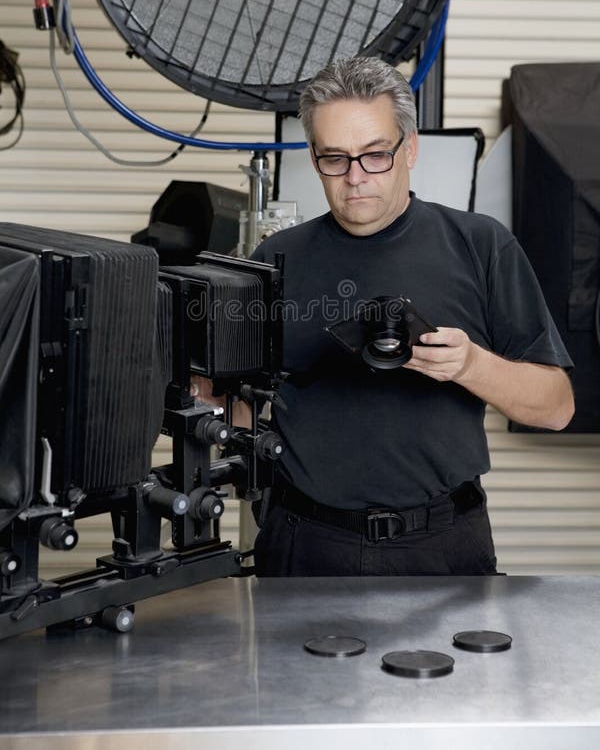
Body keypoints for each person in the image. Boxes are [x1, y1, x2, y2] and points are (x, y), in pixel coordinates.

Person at [212, 57, 574, 577]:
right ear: (313, 158)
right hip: (305, 541)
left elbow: (555, 407)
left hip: (444, 544)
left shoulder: (480, 245)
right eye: (334, 158)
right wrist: (208, 395)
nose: (355, 178)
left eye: (374, 155)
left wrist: (469, 365)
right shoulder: (274, 261)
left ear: (410, 148)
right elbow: (239, 416)